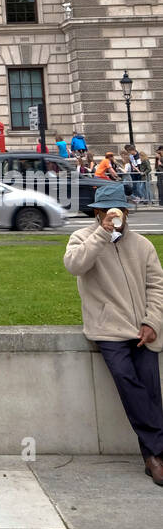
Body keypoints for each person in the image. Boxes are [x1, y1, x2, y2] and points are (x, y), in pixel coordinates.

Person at [64, 181, 163, 484]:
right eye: (105, 212)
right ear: (97, 213)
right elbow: (75, 266)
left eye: (117, 211)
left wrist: (152, 322)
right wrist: (103, 234)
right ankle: (158, 451)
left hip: (143, 330)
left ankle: (152, 458)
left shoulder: (142, 245)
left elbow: (157, 287)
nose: (113, 216)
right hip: (108, 330)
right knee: (127, 380)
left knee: (150, 387)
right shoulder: (83, 238)